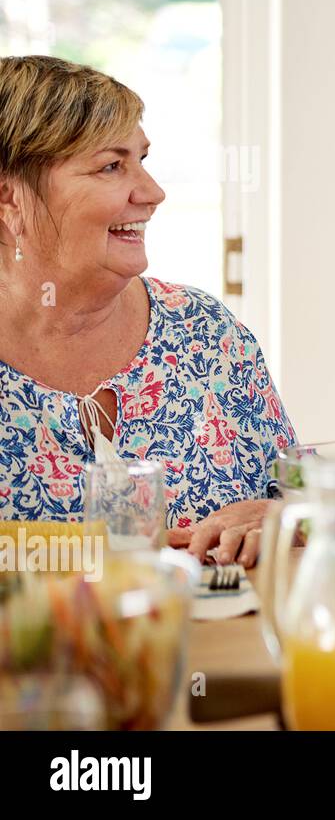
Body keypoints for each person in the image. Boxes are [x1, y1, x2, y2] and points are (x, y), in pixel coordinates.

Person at [0, 55, 295, 566]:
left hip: (220, 644)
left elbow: (300, 501)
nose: (153, 193)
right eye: (112, 166)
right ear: (10, 199)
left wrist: (286, 518)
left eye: (142, 159)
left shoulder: (207, 333)